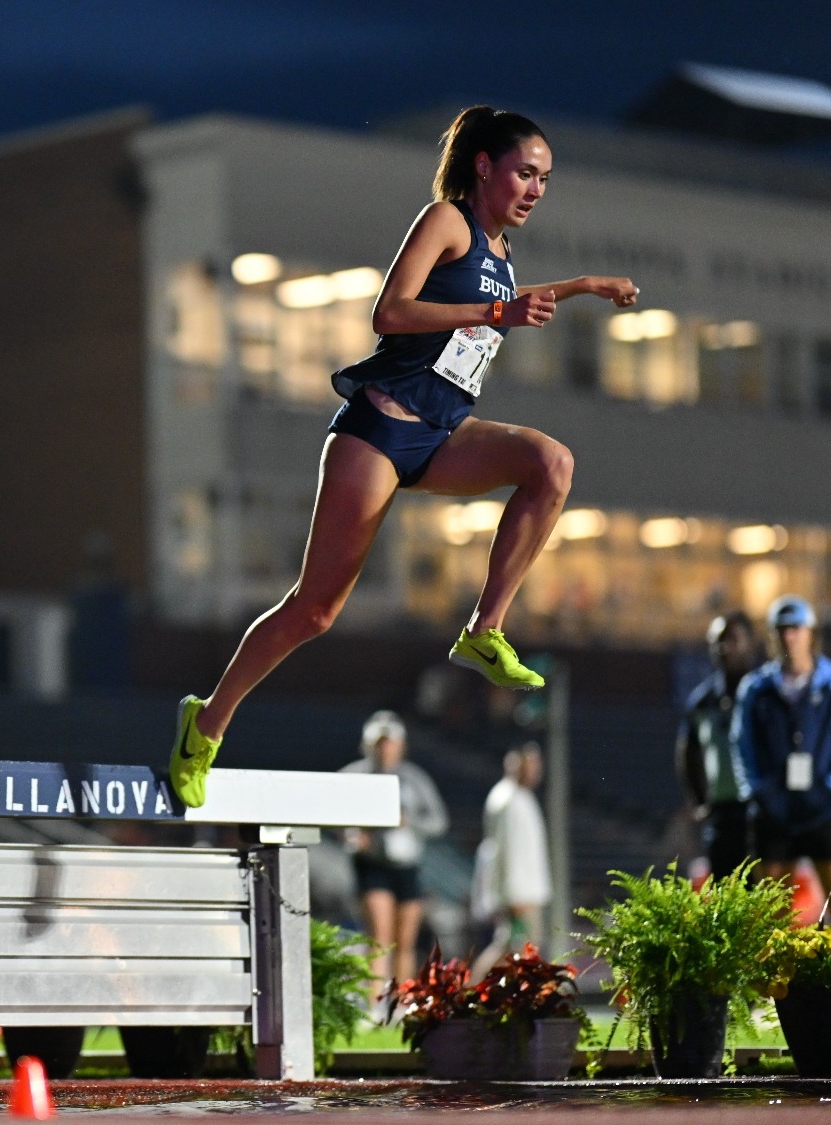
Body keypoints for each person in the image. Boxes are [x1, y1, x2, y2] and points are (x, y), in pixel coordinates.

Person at [166, 106, 639, 807]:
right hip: (379, 430)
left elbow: (503, 303)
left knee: (552, 464)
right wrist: (493, 315)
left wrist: (583, 286)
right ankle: (204, 724)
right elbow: (390, 312)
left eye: (545, 178)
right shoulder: (446, 221)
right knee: (315, 611)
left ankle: (485, 631)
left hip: (444, 435)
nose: (536, 189)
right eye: (524, 173)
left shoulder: (503, 258)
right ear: (484, 166)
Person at [734, 595, 831, 921]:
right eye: (781, 629)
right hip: (775, 812)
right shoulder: (756, 688)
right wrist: (759, 792)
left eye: (795, 629)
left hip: (825, 808)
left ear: (810, 633)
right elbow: (742, 746)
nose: (788, 637)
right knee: (771, 914)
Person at [340, 711, 448, 985]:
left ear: (401, 745)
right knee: (379, 936)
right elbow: (331, 814)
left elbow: (438, 821)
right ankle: (376, 1004)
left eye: (390, 743)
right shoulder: (354, 776)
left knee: (405, 941)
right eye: (379, 743)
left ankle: (400, 1001)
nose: (385, 749)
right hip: (372, 863)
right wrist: (353, 835)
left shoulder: (414, 779)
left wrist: (410, 824)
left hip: (407, 864)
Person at [676, 611, 760, 878]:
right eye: (717, 641)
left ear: (750, 642)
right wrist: (700, 801)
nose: (724, 648)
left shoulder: (766, 694)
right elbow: (687, 753)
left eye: (733, 640)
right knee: (726, 895)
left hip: (763, 813)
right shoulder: (703, 701)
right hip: (722, 812)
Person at [472, 743, 551, 966]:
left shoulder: (521, 796)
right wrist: (515, 895)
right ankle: (472, 991)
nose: (535, 770)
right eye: (529, 764)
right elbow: (508, 850)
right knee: (509, 947)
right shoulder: (508, 799)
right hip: (518, 894)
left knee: (518, 947)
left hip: (527, 891)